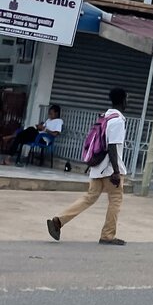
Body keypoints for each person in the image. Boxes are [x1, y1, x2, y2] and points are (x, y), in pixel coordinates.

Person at [46, 88, 129, 246]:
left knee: (89, 198)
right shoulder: (117, 120)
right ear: (123, 100)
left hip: (97, 167)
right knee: (115, 200)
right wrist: (116, 172)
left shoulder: (104, 117)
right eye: (127, 99)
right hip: (110, 169)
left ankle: (59, 220)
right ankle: (107, 235)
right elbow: (112, 147)